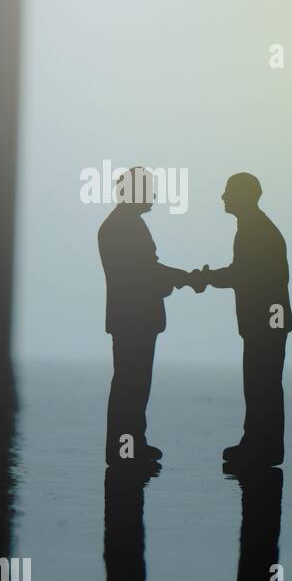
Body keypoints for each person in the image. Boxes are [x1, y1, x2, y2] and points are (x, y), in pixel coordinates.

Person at [192, 173, 292, 467]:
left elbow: (242, 274)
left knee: (263, 383)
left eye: (228, 192)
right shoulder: (254, 227)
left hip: (266, 323)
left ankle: (263, 447)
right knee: (262, 383)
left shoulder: (255, 230)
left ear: (244, 196)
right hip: (266, 321)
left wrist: (207, 277)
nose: (223, 197)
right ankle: (258, 443)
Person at [98, 166, 196, 464]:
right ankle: (126, 449)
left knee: (132, 384)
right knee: (133, 385)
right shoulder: (127, 227)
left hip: (130, 318)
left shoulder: (120, 225)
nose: (153, 195)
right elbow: (145, 272)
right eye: (149, 189)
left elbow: (144, 270)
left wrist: (179, 278)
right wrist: (187, 278)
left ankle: (130, 445)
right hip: (135, 319)